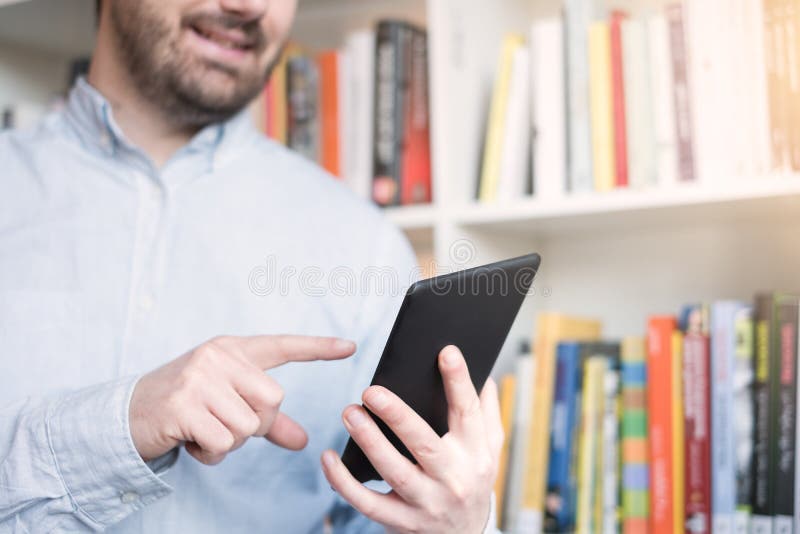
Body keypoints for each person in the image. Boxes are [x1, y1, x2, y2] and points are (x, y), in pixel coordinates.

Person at [0, 1, 503, 532]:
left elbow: (383, 513)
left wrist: (458, 524)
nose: (250, 5)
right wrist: (119, 426)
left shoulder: (368, 247)